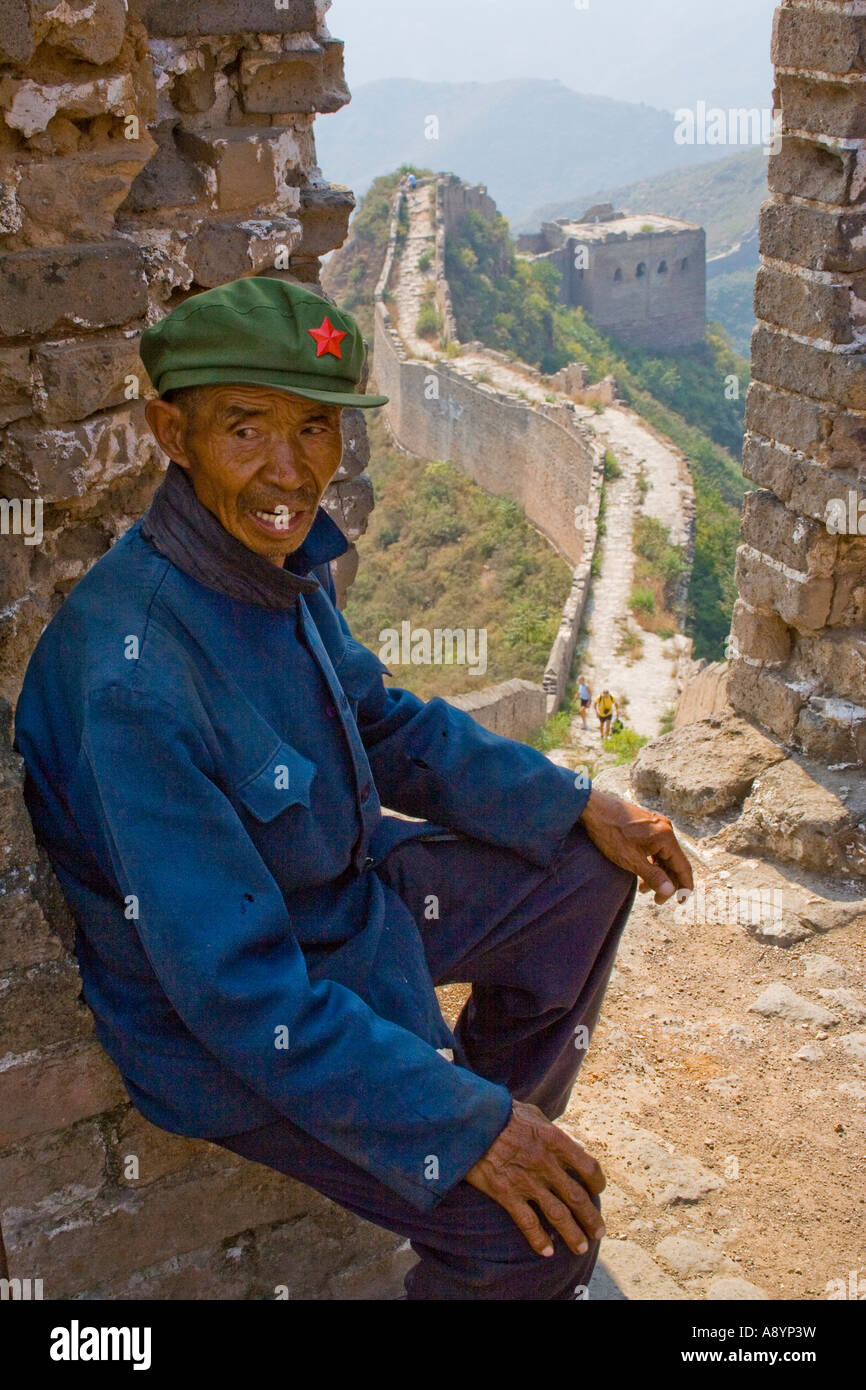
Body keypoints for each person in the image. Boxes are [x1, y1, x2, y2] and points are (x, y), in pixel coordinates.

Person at [14, 277, 693, 1301]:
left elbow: (385, 727)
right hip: (234, 1027)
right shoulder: (134, 680)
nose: (290, 470)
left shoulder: (273, 558)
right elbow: (239, 994)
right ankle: (478, 1186)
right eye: (246, 428)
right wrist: (448, 1124)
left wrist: (573, 800)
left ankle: (488, 1145)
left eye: (315, 428)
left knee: (581, 874)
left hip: (345, 913)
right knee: (543, 1242)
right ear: (172, 431)